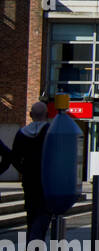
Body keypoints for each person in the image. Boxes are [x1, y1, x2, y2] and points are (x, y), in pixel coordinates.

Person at [9, 102, 50, 240]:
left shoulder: (21, 133)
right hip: (47, 181)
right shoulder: (50, 132)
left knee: (31, 214)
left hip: (29, 180)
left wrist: (24, 170)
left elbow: (14, 157)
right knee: (44, 213)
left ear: (30, 115)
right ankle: (35, 244)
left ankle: (31, 243)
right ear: (47, 114)